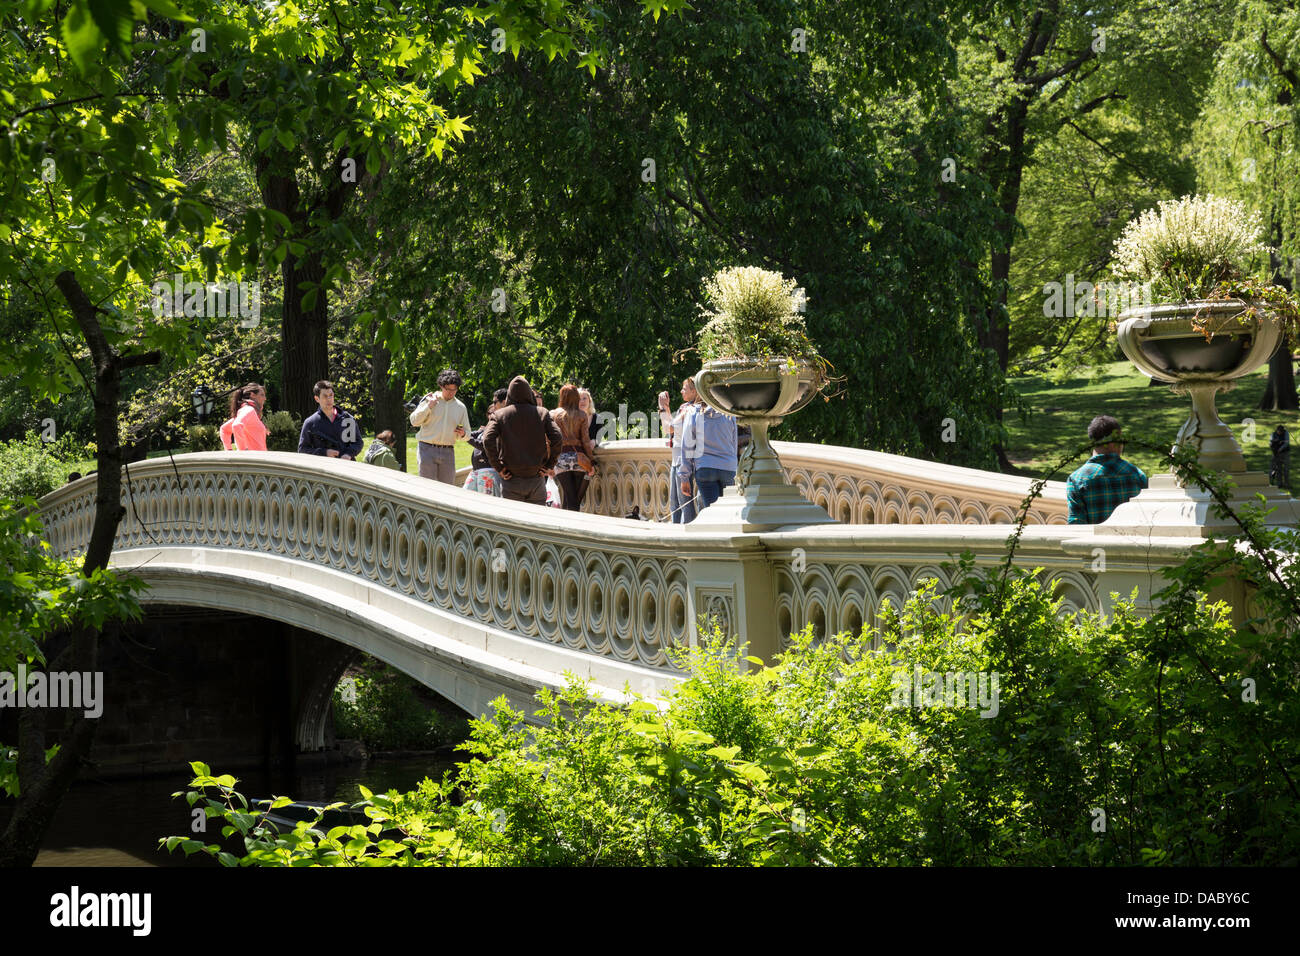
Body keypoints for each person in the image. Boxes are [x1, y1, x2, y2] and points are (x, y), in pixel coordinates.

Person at [481, 375, 562, 504]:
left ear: (509, 395)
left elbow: (487, 439)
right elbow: (557, 437)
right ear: (529, 393)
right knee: (536, 521)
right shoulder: (542, 413)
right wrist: (549, 465)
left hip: (511, 478)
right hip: (536, 478)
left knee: (512, 522)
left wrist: (499, 467)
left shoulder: (499, 415)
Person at [1066, 415, 1148, 524]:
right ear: (1113, 443)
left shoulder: (1076, 479)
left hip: (1095, 541)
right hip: (1133, 540)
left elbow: (1076, 523)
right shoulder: (1137, 475)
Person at [679, 393, 737, 520]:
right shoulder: (728, 413)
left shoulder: (693, 413)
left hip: (705, 467)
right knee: (728, 515)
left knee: (712, 516)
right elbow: (734, 443)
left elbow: (686, 447)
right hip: (728, 468)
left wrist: (684, 477)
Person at [409, 368, 471, 484]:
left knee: (447, 489)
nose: (451, 392)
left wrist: (463, 434)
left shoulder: (460, 407)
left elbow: (468, 434)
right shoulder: (430, 399)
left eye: (454, 389)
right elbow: (414, 421)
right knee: (427, 488)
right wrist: (428, 406)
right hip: (426, 449)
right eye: (448, 389)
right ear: (441, 386)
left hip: (448, 452)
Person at [551, 383, 598, 511]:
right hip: (579, 459)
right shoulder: (581, 415)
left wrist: (548, 463)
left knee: (568, 497)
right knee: (574, 500)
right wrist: (592, 461)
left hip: (561, 459)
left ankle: (565, 528)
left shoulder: (554, 414)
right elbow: (585, 441)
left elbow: (550, 441)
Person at [660, 379, 699, 523]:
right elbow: (672, 429)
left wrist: (663, 408)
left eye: (685, 389)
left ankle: (684, 536)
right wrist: (666, 408)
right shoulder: (684, 407)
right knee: (674, 503)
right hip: (676, 460)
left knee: (684, 505)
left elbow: (668, 428)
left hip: (685, 461)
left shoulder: (692, 409)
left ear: (694, 391)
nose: (681, 391)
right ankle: (675, 533)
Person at [299, 381, 363, 459]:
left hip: (347, 467)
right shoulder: (310, 423)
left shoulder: (347, 419)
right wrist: (324, 452)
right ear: (317, 399)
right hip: (322, 468)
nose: (329, 399)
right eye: (325, 396)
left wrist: (348, 454)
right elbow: (302, 450)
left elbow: (358, 442)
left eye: (331, 395)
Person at [464, 388, 508, 497]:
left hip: (489, 472)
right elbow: (473, 434)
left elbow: (487, 445)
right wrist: (464, 433)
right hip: (476, 471)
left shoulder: (501, 423)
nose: (490, 415)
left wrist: (466, 437)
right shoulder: (487, 427)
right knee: (464, 498)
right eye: (489, 413)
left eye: (495, 403)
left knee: (485, 503)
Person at [219, 383, 268, 451]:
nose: (265, 398)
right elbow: (236, 425)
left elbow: (224, 429)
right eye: (262, 395)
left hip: (257, 459)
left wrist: (229, 450)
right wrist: (243, 451)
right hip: (254, 460)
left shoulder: (248, 411)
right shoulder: (249, 410)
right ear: (252, 395)